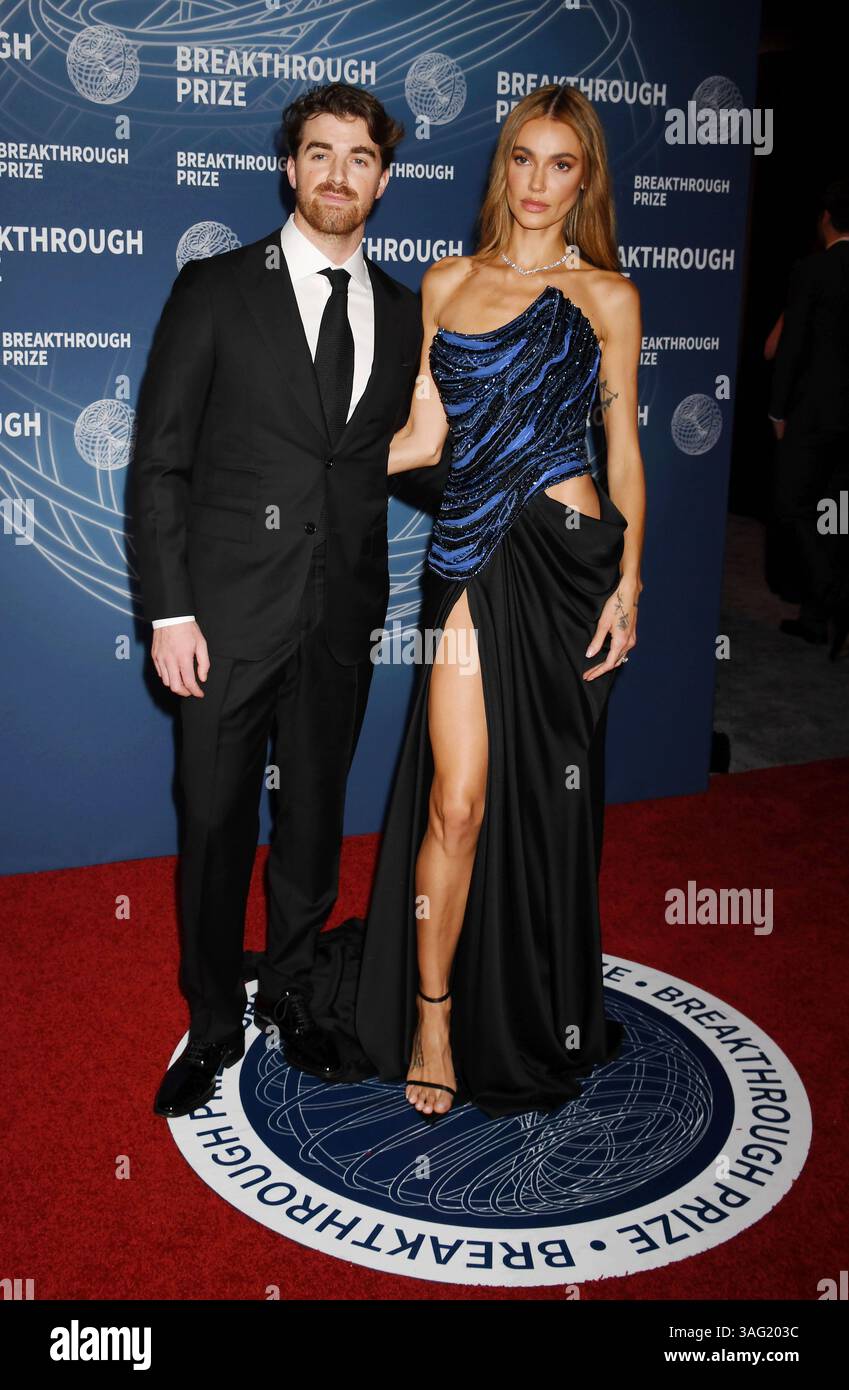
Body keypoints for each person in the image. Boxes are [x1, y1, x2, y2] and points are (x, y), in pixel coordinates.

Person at [313, 83, 646, 1121]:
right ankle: (434, 1015)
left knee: (547, 804)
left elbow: (625, 452)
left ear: (584, 180)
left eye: (563, 165)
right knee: (455, 802)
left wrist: (630, 580)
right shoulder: (446, 283)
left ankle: (538, 999)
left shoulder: (611, 298)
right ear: (500, 167)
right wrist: (314, 470)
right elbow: (422, 438)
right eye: (524, 160)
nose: (539, 183)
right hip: (465, 560)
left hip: (571, 567)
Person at [131, 83, 428, 1118]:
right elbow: (160, 462)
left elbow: (403, 463)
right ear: (289, 168)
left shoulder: (402, 312)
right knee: (213, 822)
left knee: (310, 824)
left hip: (340, 619)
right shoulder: (216, 289)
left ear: (383, 179)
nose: (339, 173)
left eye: (360, 157)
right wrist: (169, 611)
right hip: (220, 623)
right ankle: (213, 1020)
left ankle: (295, 991)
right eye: (319, 153)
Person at [768, 179, 849, 653]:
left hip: (814, 414)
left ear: (825, 219)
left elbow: (790, 346)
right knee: (835, 517)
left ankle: (833, 596)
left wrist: (777, 410)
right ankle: (817, 619)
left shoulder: (813, 270)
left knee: (790, 506)